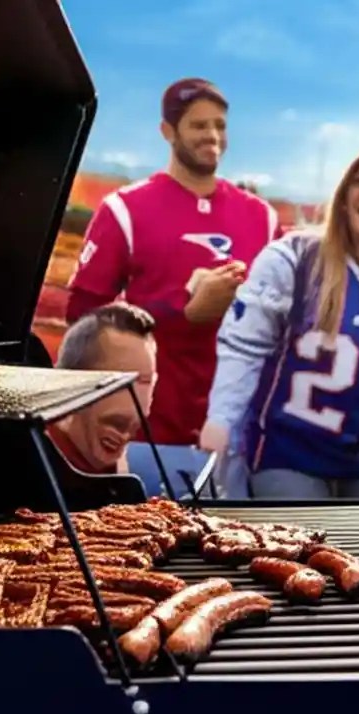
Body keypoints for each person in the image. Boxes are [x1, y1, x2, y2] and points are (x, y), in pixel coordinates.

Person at [64, 77, 282, 500]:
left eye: (219, 125)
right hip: (149, 432)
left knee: (235, 558)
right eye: (199, 125)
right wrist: (181, 309)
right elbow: (81, 318)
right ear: (168, 132)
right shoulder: (125, 209)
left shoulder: (261, 217)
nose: (213, 136)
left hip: (235, 436)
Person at [197, 142, 359, 504]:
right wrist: (220, 422)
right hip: (290, 452)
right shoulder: (293, 258)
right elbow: (244, 348)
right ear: (343, 196)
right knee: (300, 556)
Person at [47, 303, 158, 476]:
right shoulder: (31, 466)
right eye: (123, 380)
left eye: (145, 381)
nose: (134, 409)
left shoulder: (118, 477)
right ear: (73, 382)